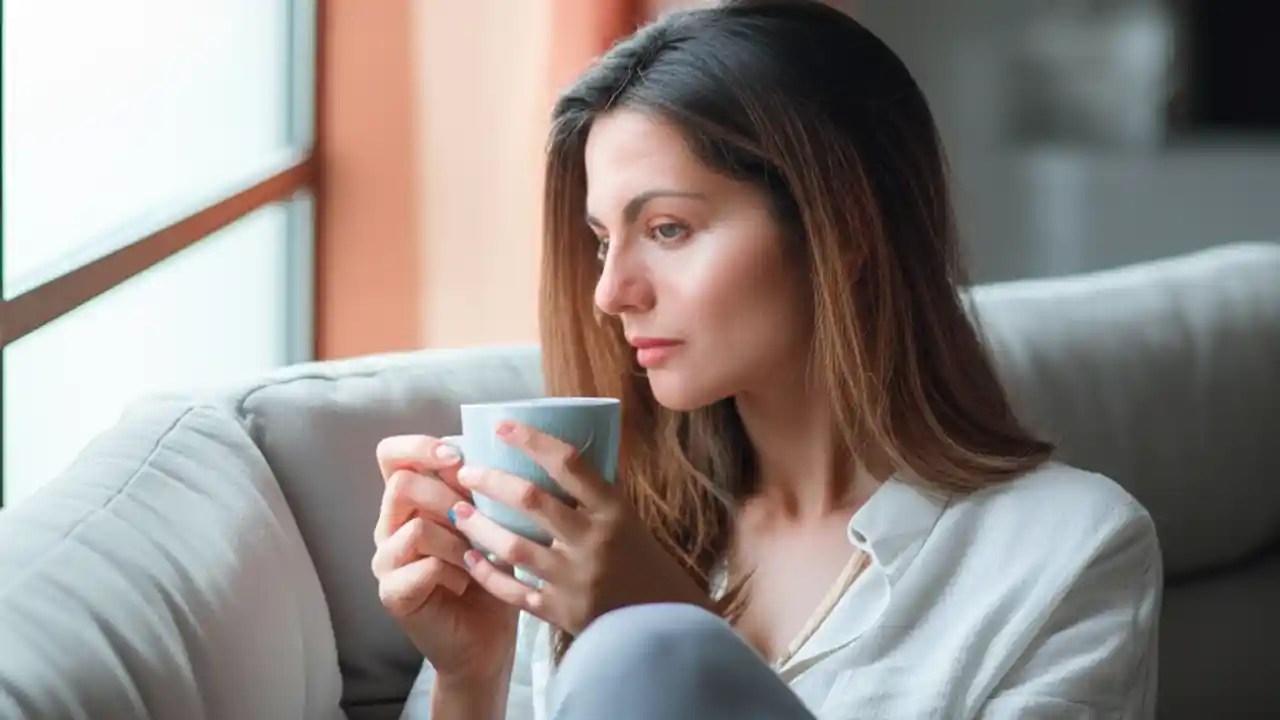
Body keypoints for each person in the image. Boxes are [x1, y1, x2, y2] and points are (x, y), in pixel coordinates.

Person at [371, 1, 1163, 718]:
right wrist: (470, 680)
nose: (611, 292)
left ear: (841, 228)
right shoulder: (578, 528)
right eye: (603, 240)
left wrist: (669, 634)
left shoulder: (1067, 551)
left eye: (669, 229)